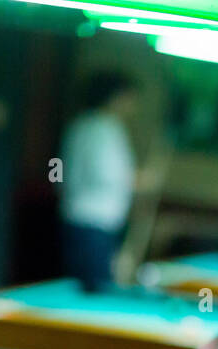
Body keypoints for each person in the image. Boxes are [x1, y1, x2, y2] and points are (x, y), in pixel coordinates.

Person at [59, 73, 142, 293]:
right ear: (115, 97)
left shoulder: (81, 124)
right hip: (94, 225)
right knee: (95, 292)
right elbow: (105, 175)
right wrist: (139, 180)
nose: (133, 105)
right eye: (129, 97)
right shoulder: (104, 128)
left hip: (80, 220)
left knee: (80, 288)